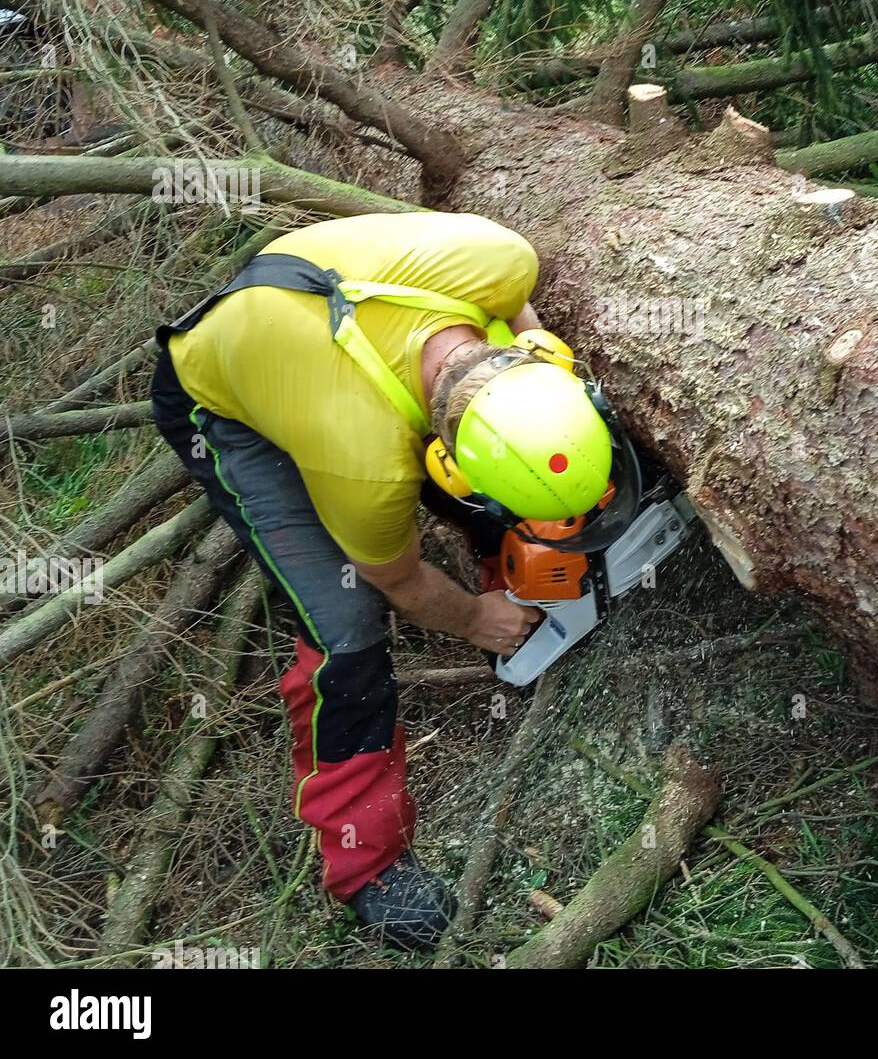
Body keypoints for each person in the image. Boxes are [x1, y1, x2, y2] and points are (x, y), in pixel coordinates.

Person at [149, 211, 618, 949]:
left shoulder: (502, 261)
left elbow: (518, 313)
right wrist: (469, 618)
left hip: (305, 311)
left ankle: (529, 588)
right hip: (222, 395)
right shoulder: (363, 462)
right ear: (438, 454)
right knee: (344, 630)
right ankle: (367, 865)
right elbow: (397, 579)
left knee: (489, 502)